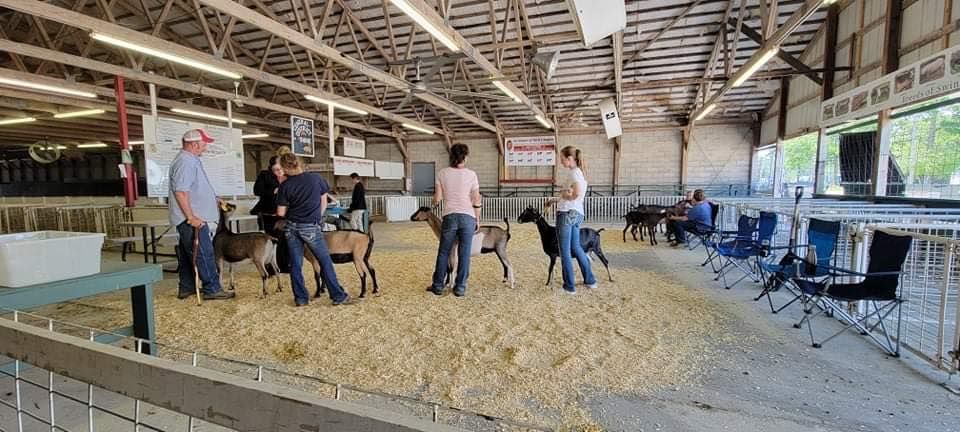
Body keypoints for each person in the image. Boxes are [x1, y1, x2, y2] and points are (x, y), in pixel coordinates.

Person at [275, 153, 353, 306]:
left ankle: (301, 298)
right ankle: (338, 295)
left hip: (291, 227)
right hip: (310, 226)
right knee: (324, 261)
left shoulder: (284, 186)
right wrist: (318, 217)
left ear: (284, 168)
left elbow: (281, 213)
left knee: (296, 264)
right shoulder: (316, 179)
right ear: (299, 163)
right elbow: (324, 199)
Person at [169, 128, 234, 300]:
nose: (205, 147)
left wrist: (214, 198)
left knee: (187, 254)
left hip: (192, 216)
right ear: (194, 144)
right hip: (193, 219)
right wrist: (191, 217)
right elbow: (181, 192)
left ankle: (186, 287)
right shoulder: (186, 162)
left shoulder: (190, 160)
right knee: (204, 253)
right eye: (204, 143)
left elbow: (193, 188)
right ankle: (212, 288)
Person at [428, 143, 481, 297]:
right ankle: (460, 287)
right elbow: (476, 198)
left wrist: (434, 201)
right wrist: (477, 219)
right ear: (465, 156)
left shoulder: (442, 173)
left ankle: (438, 285)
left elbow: (437, 199)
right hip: (468, 216)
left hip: (450, 216)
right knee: (464, 253)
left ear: (451, 156)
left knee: (444, 251)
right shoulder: (472, 174)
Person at [550, 145, 597, 295]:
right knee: (576, 248)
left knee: (564, 251)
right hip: (577, 213)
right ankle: (590, 280)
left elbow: (575, 194)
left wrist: (564, 196)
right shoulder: (580, 173)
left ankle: (569, 286)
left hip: (566, 214)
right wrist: (558, 198)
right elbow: (574, 194)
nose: (561, 162)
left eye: (562, 159)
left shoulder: (574, 174)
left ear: (570, 159)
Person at [250, 156, 286, 232]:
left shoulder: (288, 175)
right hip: (268, 213)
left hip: (286, 214)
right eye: (276, 169)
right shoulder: (265, 175)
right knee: (269, 237)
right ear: (271, 167)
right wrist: (273, 191)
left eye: (281, 168)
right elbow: (257, 191)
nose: (279, 171)